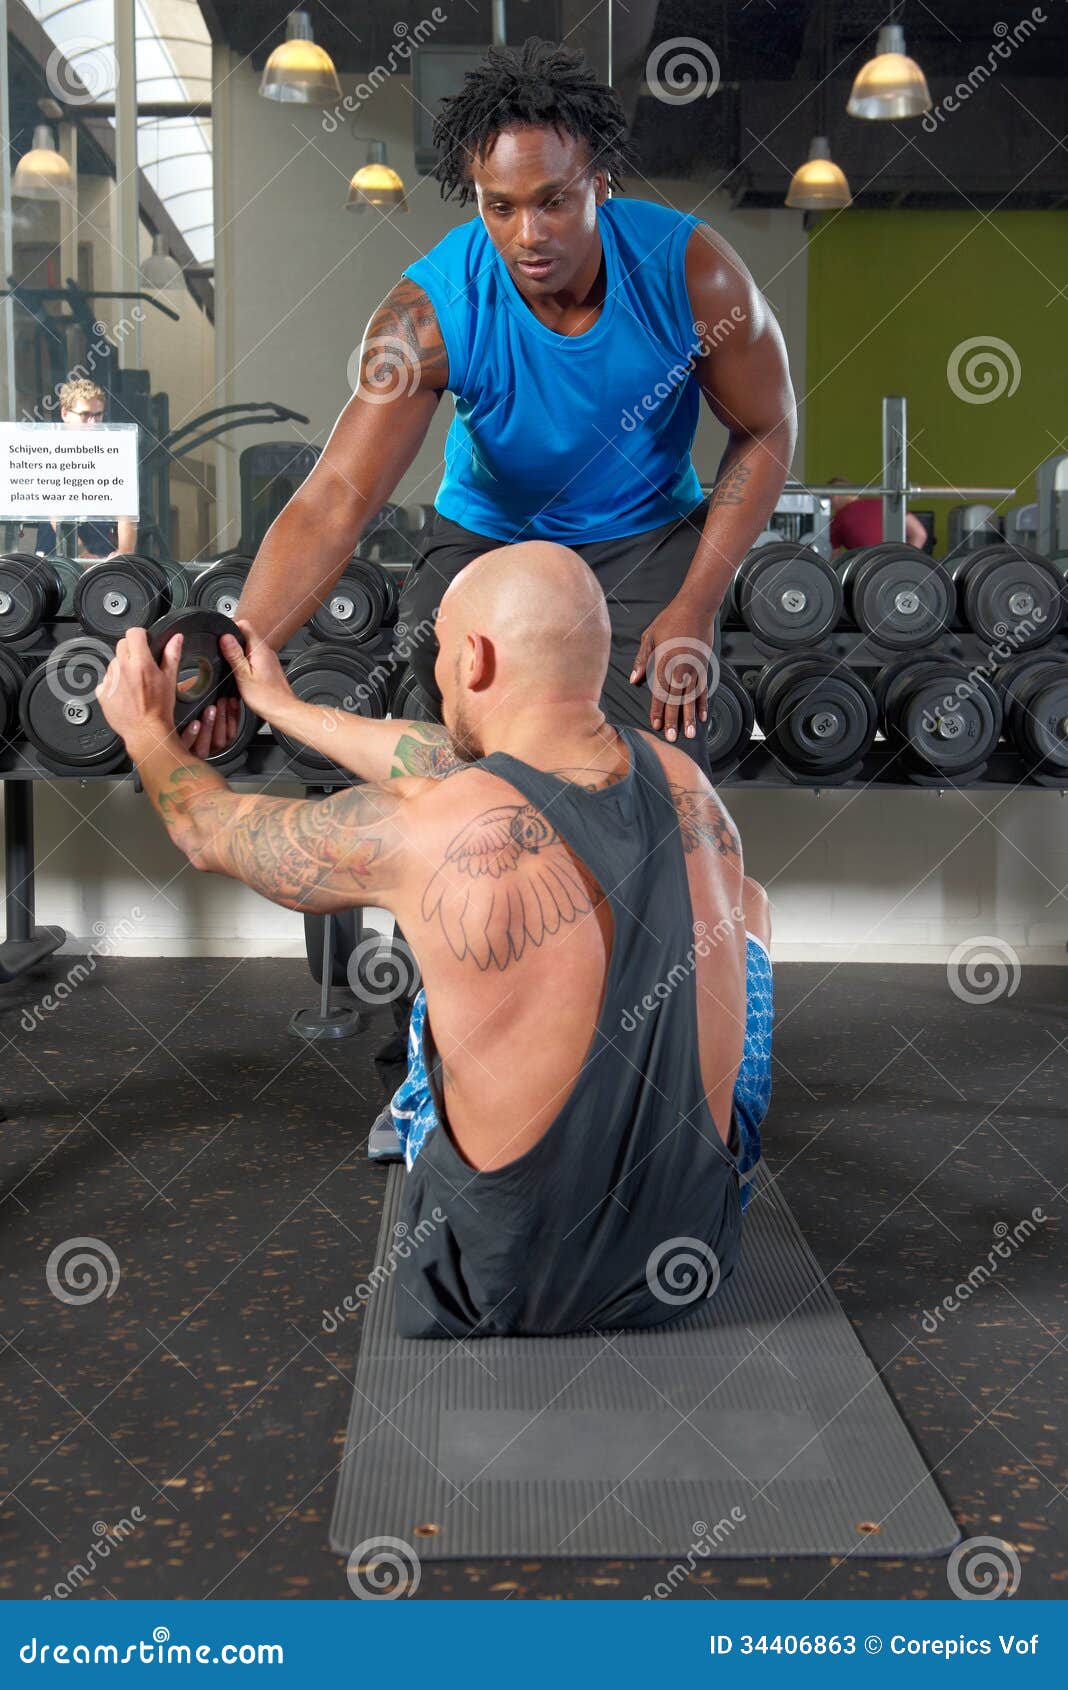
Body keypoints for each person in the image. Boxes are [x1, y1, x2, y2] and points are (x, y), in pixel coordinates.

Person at [97, 542, 774, 1339]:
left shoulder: (422, 830)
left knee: (443, 954)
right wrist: (283, 708)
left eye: (446, 648)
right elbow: (455, 763)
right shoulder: (690, 789)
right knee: (746, 905)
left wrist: (147, 733)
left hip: (492, 1282)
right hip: (689, 1266)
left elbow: (207, 830)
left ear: (476, 658)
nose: (441, 666)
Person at [22, 378, 139, 562]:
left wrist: (122, 555)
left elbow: (126, 514)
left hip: (98, 558)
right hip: (51, 558)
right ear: (65, 413)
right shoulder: (45, 453)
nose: (93, 422)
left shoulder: (113, 455)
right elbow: (53, 511)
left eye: (98, 415)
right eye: (85, 415)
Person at [827, 475, 929, 555]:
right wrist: (904, 560)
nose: (830, 505)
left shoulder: (838, 518)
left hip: (867, 572)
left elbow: (832, 558)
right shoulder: (886, 505)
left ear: (834, 496)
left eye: (829, 498)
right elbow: (920, 534)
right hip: (893, 569)